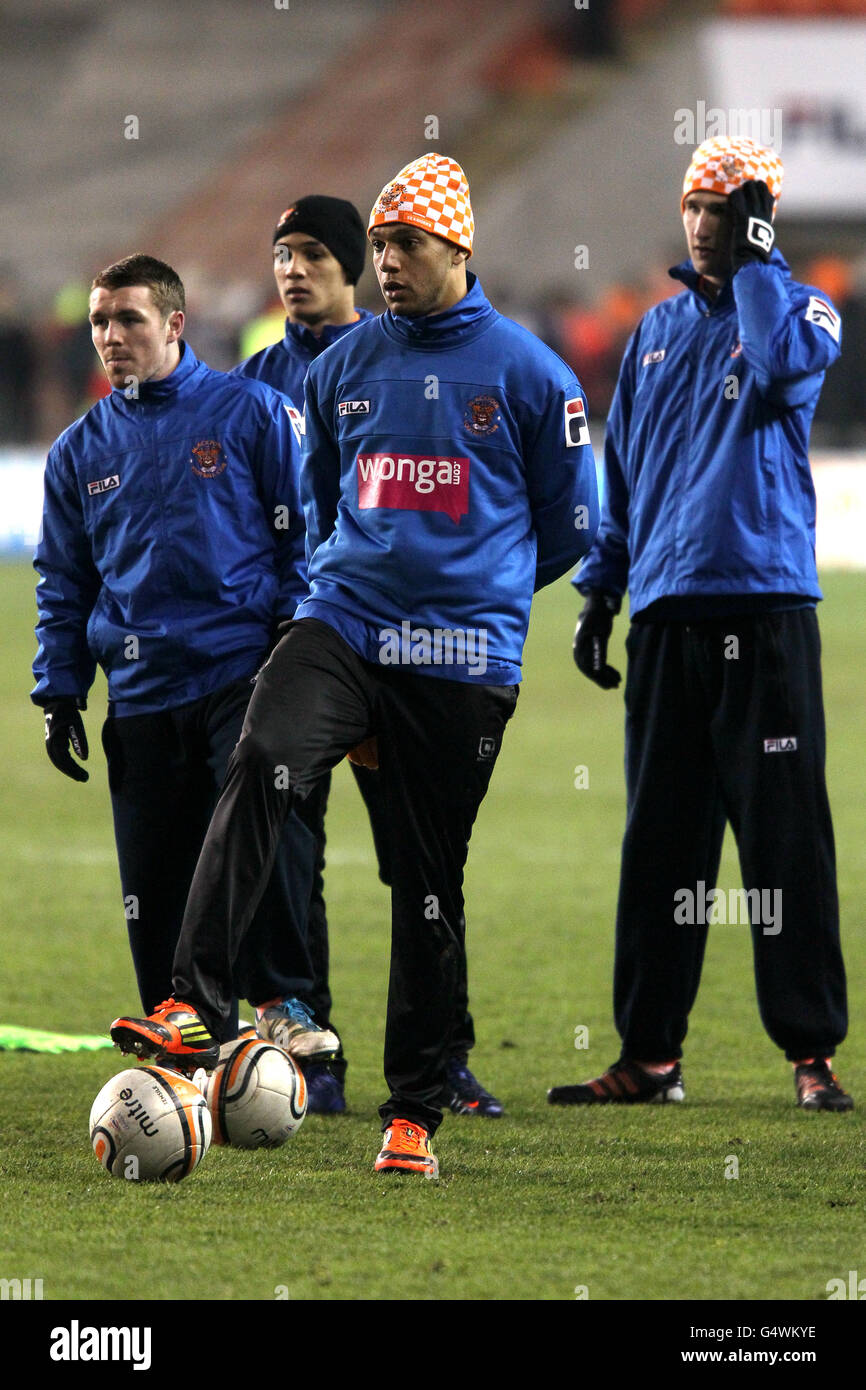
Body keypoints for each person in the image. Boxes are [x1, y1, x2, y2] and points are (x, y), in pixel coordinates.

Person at [109, 154, 599, 1176]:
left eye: (404, 245)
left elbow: (568, 530)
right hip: (342, 620)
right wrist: (361, 578)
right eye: (376, 245)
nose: (385, 263)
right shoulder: (339, 368)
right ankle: (195, 1003)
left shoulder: (528, 373)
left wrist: (479, 590)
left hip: (460, 655)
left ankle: (414, 1108)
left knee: (427, 880)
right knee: (264, 755)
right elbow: (324, 501)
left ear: (456, 248)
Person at [548, 136, 852, 1112]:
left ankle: (810, 1054)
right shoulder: (653, 330)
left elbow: (773, 374)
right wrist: (602, 589)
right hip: (669, 617)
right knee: (661, 844)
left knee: (783, 841)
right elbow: (623, 467)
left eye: (720, 207)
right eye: (691, 203)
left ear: (753, 217)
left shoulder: (801, 307)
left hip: (762, 608)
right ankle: (649, 1056)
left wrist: (762, 263)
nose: (697, 221)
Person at [235, 194, 507, 1119]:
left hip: (403, 650)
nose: (293, 270)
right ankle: (307, 1050)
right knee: (283, 845)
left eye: (314, 253)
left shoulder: (399, 357)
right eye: (281, 255)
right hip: (299, 644)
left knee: (419, 863)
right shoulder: (252, 384)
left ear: (353, 267)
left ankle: (446, 1054)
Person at [33, 253, 336, 1064]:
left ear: (174, 323)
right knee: (154, 892)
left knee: (262, 836)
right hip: (137, 692)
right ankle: (187, 1054)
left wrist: (288, 648)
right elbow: (63, 580)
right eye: (99, 321)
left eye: (127, 318)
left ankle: (282, 998)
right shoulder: (78, 451)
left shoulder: (254, 415)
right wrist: (60, 689)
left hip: (240, 673)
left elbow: (300, 544)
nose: (110, 336)